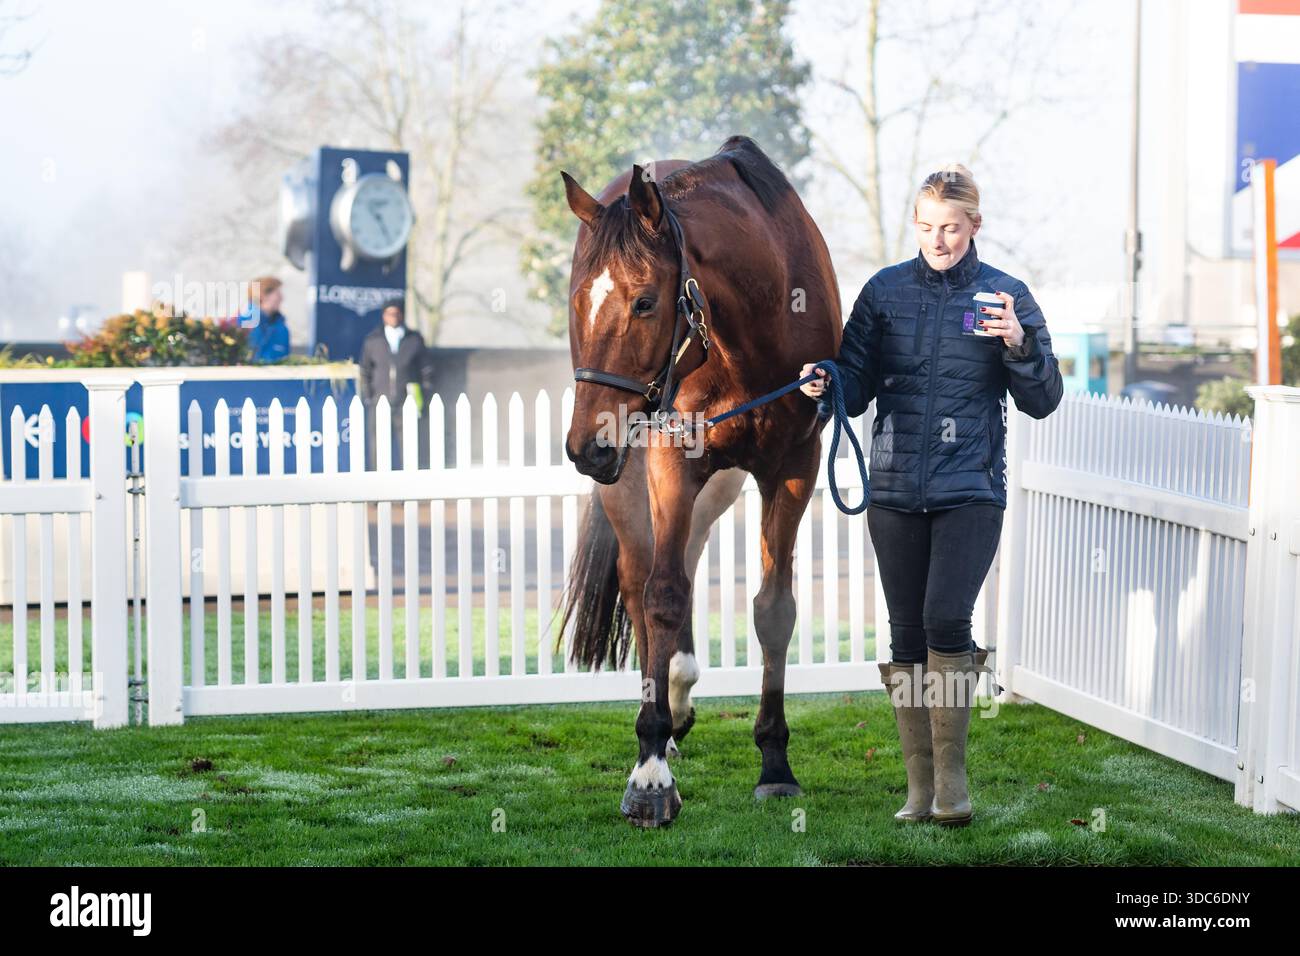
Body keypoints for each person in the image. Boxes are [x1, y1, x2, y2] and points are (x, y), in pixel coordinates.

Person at [801, 163, 1064, 827]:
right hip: (893, 490)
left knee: (947, 617)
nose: (938, 238)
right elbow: (855, 381)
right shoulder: (885, 293)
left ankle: (951, 777)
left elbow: (1044, 399)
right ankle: (918, 789)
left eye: (950, 227)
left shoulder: (1006, 296)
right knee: (905, 632)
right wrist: (825, 380)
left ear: (975, 225)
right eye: (926, 227)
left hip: (971, 489)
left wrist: (1017, 343)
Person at [358, 297, 435, 471]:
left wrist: (424, 393)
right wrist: (369, 395)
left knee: (409, 447)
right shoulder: (373, 340)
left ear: (402, 315)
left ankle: (407, 490)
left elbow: (426, 369)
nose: (393, 316)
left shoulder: (414, 340)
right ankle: (377, 490)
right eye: (389, 313)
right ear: (384, 315)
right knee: (378, 447)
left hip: (406, 401)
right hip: (380, 401)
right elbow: (365, 371)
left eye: (396, 313)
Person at [242, 276, 291, 363]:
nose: (282, 298)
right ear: (262, 295)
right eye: (277, 294)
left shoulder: (282, 328)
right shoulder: (242, 325)